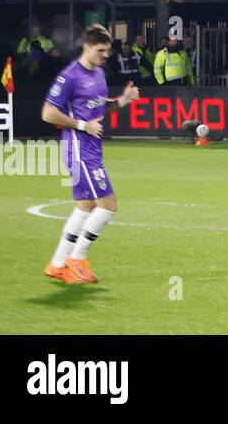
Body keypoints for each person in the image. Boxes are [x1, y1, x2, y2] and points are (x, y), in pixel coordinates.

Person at [39, 25, 140, 284]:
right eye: (101, 50)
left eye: (108, 51)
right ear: (87, 47)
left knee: (86, 206)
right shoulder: (69, 77)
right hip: (79, 150)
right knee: (109, 206)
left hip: (91, 149)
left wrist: (123, 100)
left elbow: (99, 109)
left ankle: (57, 264)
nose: (106, 55)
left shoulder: (98, 74)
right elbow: (48, 113)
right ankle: (77, 259)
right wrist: (83, 126)